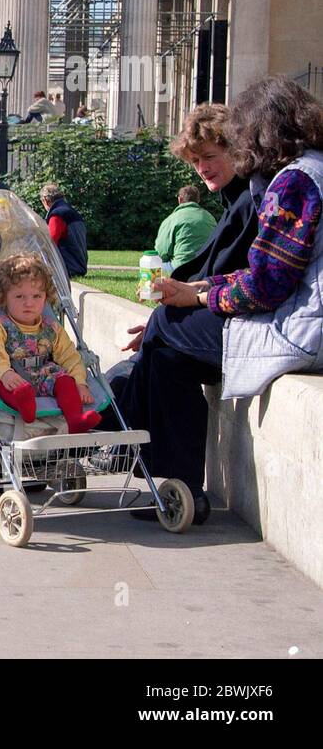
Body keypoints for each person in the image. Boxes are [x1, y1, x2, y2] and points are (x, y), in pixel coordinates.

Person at [122, 76, 323, 525]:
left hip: (303, 331)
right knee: (169, 354)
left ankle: (144, 455)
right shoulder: (311, 168)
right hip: (303, 321)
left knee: (165, 331)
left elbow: (266, 285)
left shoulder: (294, 182)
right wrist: (197, 292)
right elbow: (263, 271)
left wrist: (197, 299)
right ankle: (178, 487)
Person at [118, 103, 258, 356]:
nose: (202, 168)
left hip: (238, 325)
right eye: (195, 161)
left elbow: (233, 278)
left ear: (235, 150)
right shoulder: (233, 203)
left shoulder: (248, 203)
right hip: (216, 318)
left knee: (153, 349)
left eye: (209, 157)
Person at [0, 254, 101, 433]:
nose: (29, 303)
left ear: (45, 297)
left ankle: (75, 420)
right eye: (19, 296)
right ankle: (24, 405)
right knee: (3, 386)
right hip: (13, 374)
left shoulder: (52, 328)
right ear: (4, 298)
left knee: (65, 381)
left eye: (36, 296)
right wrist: (4, 372)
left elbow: (70, 357)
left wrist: (80, 384)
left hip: (45, 375)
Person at [154, 185, 217, 273]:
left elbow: (161, 252)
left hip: (180, 268)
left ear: (180, 200)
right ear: (198, 200)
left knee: (152, 264)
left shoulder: (171, 219)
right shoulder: (210, 218)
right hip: (207, 267)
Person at [40, 182, 87, 278]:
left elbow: (50, 244)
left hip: (68, 268)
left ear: (45, 200)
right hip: (79, 265)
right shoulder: (73, 213)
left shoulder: (57, 216)